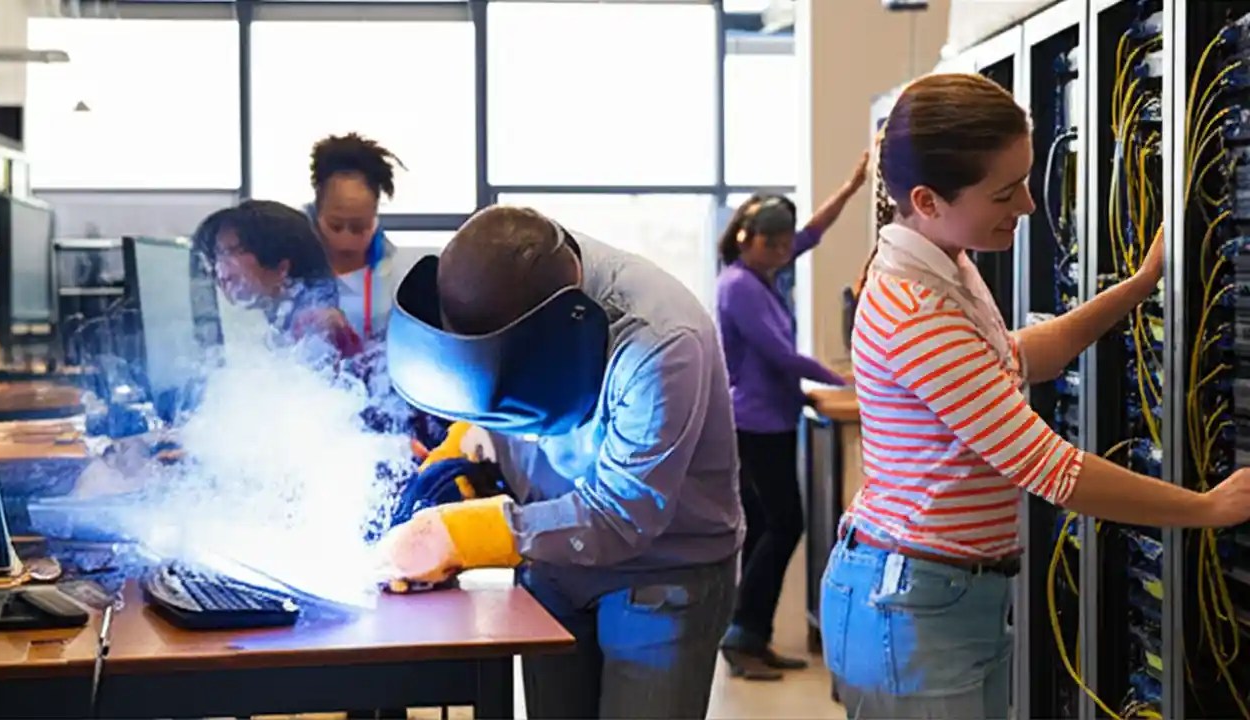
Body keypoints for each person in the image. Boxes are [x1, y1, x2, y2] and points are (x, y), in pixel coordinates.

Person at [823, 72, 1250, 719]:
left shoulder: (946, 265)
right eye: (1005, 191)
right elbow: (1049, 468)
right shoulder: (915, 309)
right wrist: (1206, 508)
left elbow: (1015, 357)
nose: (1027, 205)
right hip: (914, 611)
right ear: (928, 200)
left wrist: (1138, 287)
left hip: (944, 599)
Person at [377, 206, 744, 719]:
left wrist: (469, 535)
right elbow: (498, 401)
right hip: (551, 563)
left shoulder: (659, 340)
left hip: (662, 571)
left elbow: (623, 515)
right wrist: (463, 452)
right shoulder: (499, 287)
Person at [714, 156, 867, 681]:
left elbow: (811, 234)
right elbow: (781, 355)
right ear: (745, 237)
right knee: (785, 524)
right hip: (757, 423)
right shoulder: (739, 285)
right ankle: (743, 635)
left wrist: (851, 185)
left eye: (784, 245)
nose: (783, 252)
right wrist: (847, 380)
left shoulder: (763, 272)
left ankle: (750, 634)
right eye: (772, 244)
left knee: (765, 527)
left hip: (772, 416)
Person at [193, 199, 362, 360]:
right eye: (218, 255)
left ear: (281, 267)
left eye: (233, 251)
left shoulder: (316, 323)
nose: (220, 272)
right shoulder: (283, 320)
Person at [307, 132, 406, 340]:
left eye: (359, 227)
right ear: (317, 211)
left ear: (375, 213)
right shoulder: (286, 263)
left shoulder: (396, 278)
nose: (346, 241)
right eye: (335, 226)